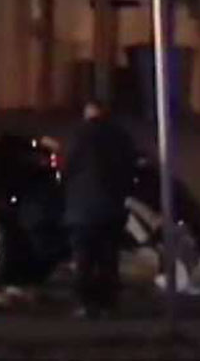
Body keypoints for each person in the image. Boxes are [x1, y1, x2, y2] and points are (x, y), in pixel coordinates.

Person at [61, 100, 138, 318]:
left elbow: (67, 168)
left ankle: (84, 304)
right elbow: (130, 168)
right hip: (111, 208)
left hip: (81, 209)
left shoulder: (78, 135)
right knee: (108, 258)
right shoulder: (120, 137)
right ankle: (108, 304)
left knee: (83, 259)